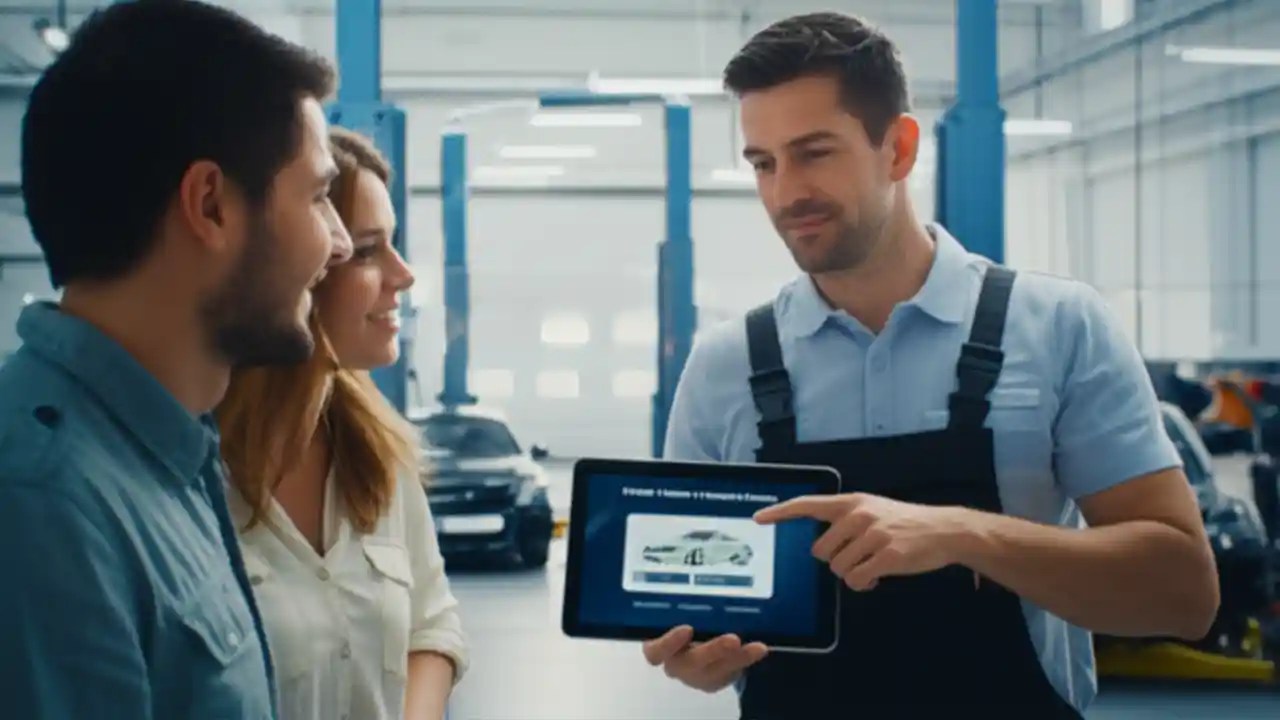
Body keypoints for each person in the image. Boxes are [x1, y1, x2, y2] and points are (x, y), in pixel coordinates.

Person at [641, 12, 1219, 718]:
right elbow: (695, 610)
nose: (785, 193)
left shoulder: (1060, 329)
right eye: (763, 162)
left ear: (899, 148)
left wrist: (958, 534)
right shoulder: (723, 368)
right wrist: (699, 660)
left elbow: (1184, 593)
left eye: (814, 152)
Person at [0, 1, 353, 718]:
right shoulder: (41, 510)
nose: (339, 243)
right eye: (318, 196)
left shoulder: (164, 457)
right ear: (211, 205)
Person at [215, 127, 468, 720]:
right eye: (367, 251)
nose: (403, 275)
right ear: (302, 264)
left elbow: (433, 624)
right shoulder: (196, 470)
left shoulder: (378, 451)